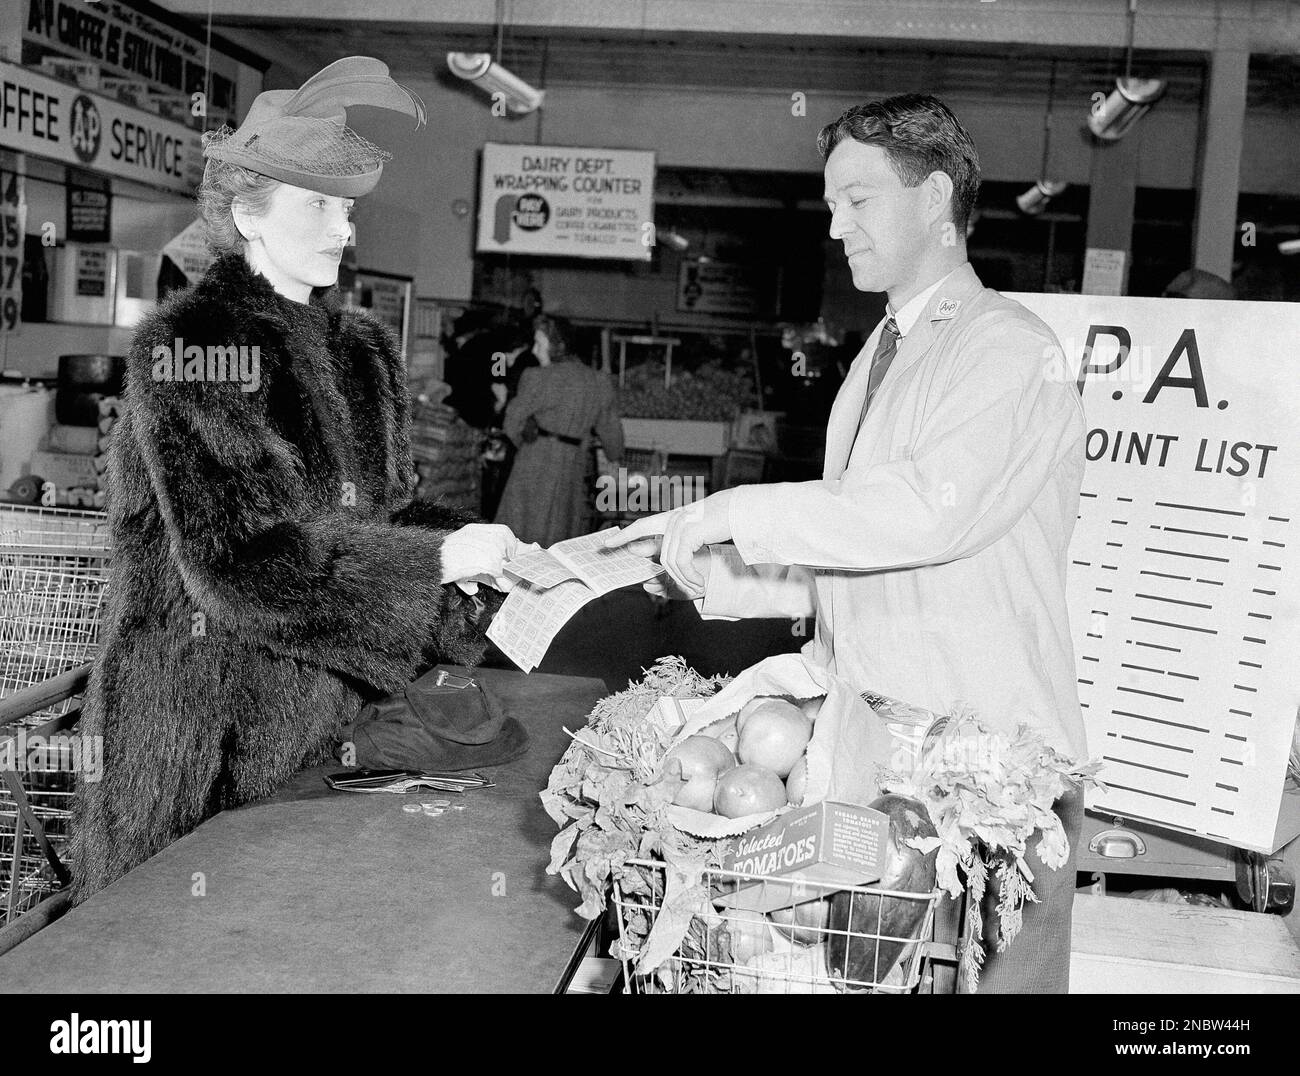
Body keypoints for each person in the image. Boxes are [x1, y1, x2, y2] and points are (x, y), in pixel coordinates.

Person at [610, 94, 1087, 993]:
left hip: (989, 769)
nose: (836, 227)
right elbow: (860, 556)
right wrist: (708, 574)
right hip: (888, 764)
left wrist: (737, 509)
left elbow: (921, 513)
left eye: (858, 200)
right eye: (832, 204)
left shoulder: (1009, 350)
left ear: (936, 195)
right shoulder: (879, 356)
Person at [69, 58, 525, 903]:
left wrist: (479, 565)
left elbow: (387, 512)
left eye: (346, 208)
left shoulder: (362, 353)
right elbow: (240, 561)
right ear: (248, 212)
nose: (343, 229)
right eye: (318, 203)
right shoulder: (191, 347)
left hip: (320, 728)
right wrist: (432, 565)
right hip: (195, 742)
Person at [494, 316, 624, 546]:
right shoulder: (599, 382)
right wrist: (614, 458)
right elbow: (612, 435)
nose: (534, 351)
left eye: (539, 344)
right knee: (563, 530)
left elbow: (511, 421)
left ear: (557, 346)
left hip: (535, 461)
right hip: (574, 463)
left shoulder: (537, 377)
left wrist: (526, 443)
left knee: (520, 531)